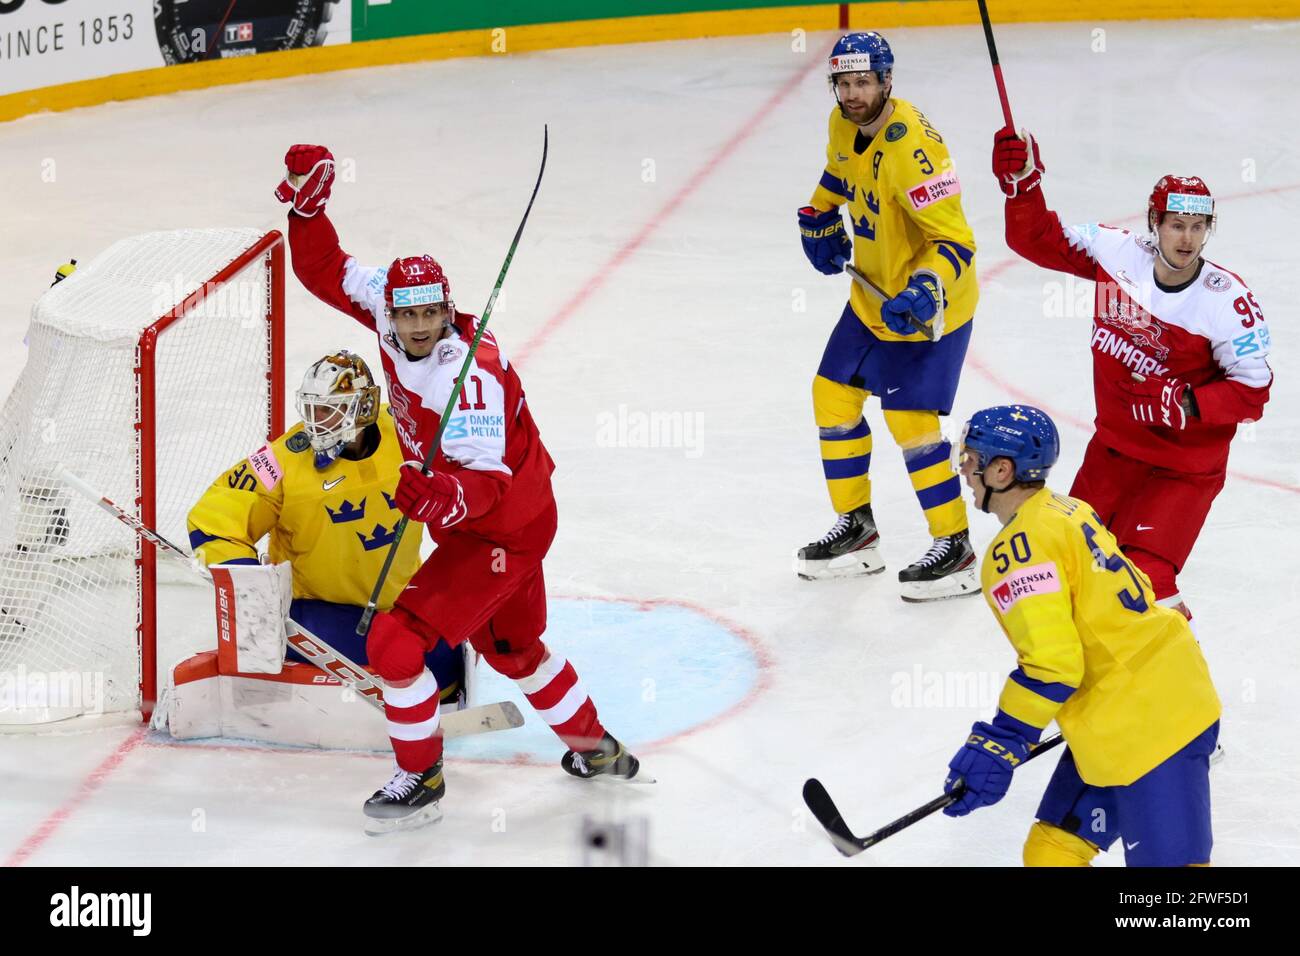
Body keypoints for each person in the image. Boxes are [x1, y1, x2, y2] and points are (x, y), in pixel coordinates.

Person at [274, 143, 641, 835]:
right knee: (514, 650)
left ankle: (421, 776)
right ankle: (596, 748)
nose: (414, 328)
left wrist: (443, 497)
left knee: (394, 645)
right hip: (509, 517)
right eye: (406, 316)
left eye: (427, 317)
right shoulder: (388, 302)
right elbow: (324, 270)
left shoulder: (465, 378)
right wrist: (307, 208)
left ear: (446, 312)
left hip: (504, 525)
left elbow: (490, 485)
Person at [992, 128, 1272, 624]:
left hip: (1183, 468)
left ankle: (1178, 691)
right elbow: (1034, 240)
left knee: (1144, 580)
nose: (1186, 238)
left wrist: (1187, 402)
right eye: (1176, 225)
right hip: (1114, 452)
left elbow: (1252, 393)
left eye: (1197, 226)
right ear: (1155, 224)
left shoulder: (1227, 300)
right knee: (1075, 566)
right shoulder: (1116, 254)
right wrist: (1023, 186)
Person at [942, 404, 1220, 866]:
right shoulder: (1066, 509)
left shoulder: (1018, 551)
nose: (965, 472)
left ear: (1002, 469)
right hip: (1131, 710)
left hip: (1155, 727)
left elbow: (1054, 665)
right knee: (1052, 852)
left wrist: (1000, 741)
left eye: (972, 460)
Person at [796, 31, 980, 602]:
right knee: (831, 395)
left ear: (886, 81)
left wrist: (926, 290)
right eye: (844, 83)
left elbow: (956, 241)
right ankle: (858, 530)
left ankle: (956, 548)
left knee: (911, 423)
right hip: (871, 295)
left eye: (863, 82)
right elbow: (838, 173)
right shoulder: (840, 123)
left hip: (929, 310)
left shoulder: (914, 150)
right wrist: (818, 215)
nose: (852, 94)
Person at [187, 351, 464, 704]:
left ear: (363, 408)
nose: (317, 421)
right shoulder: (283, 460)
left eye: (331, 409)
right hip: (312, 611)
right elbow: (213, 516)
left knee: (446, 663)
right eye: (313, 408)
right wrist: (247, 581)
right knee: (408, 662)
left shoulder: (407, 436)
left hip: (400, 604)